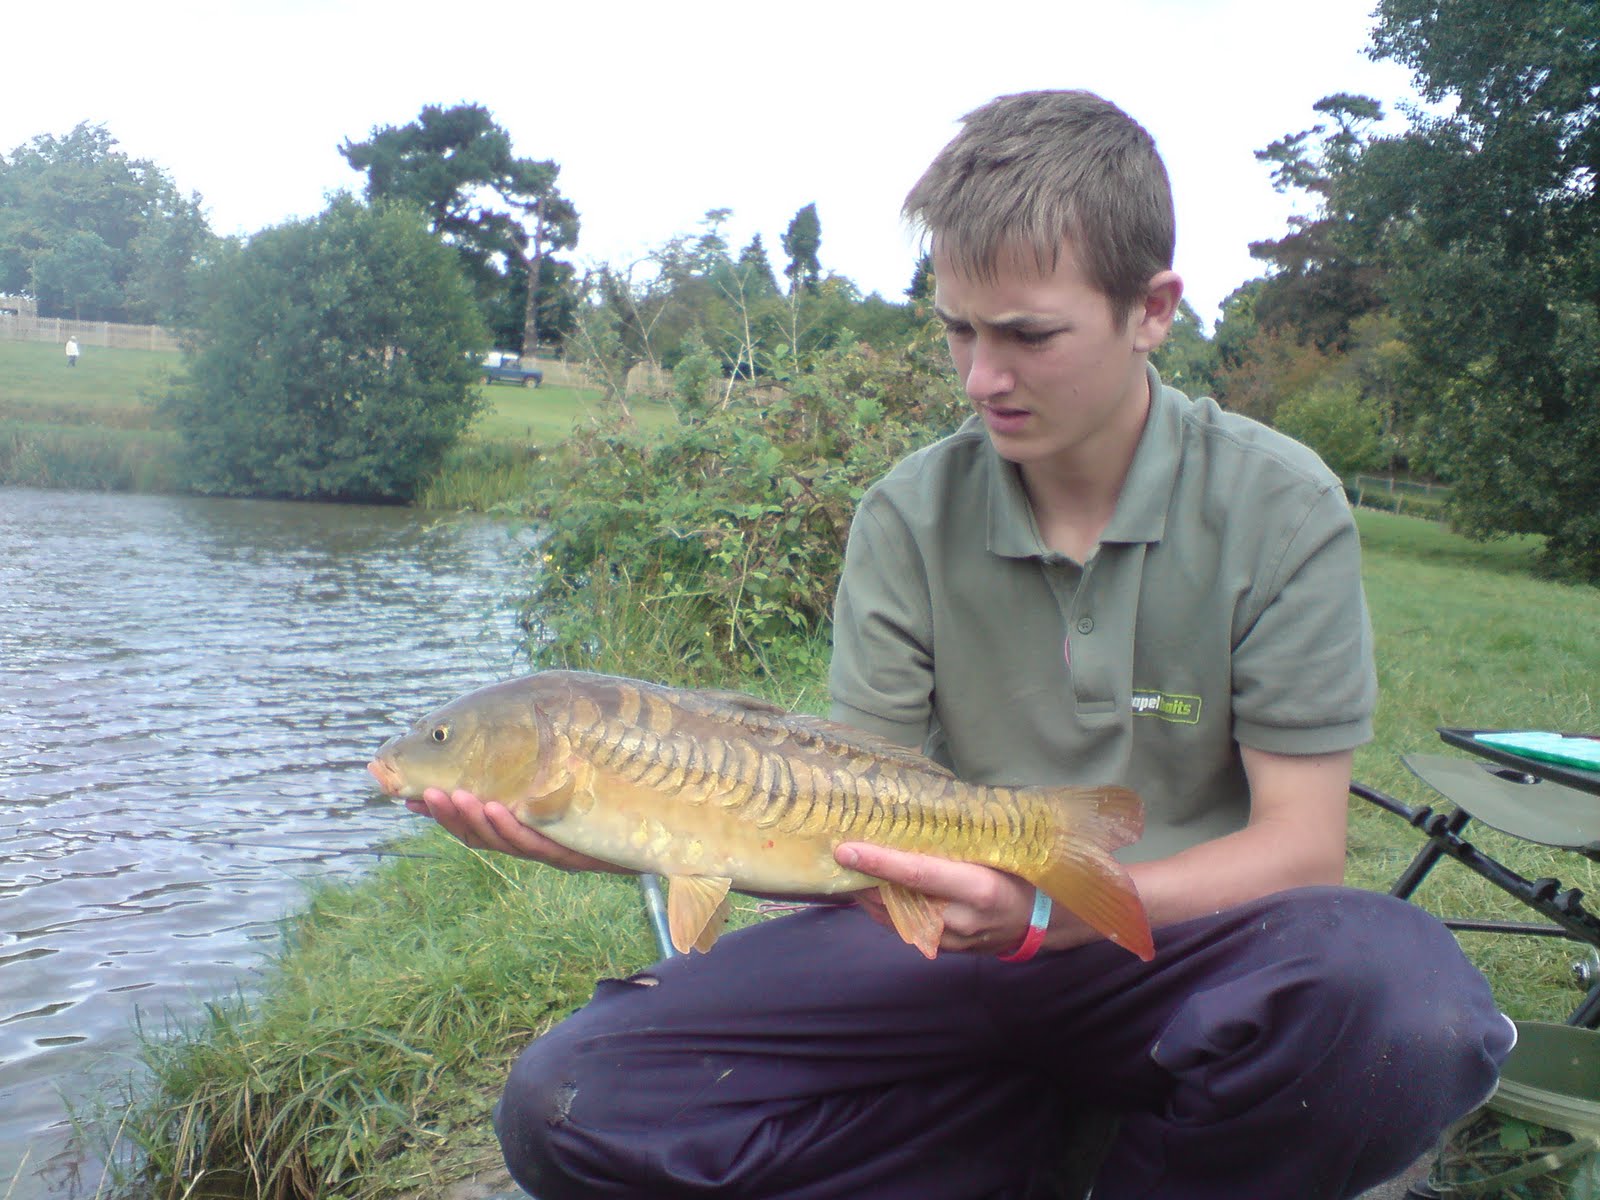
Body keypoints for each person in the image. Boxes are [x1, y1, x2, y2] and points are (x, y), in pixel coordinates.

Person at [413, 90, 1513, 1200]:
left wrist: (1049, 917)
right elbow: (843, 837)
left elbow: (1301, 850)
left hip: (1176, 953)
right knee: (573, 1101)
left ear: (1152, 309)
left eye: (1028, 335)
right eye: (956, 330)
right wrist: (627, 829)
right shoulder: (907, 513)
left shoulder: (1279, 503)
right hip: (937, 941)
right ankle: (1010, 1151)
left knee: (1405, 1005)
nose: (983, 377)